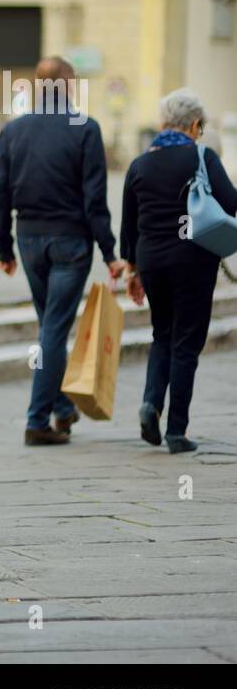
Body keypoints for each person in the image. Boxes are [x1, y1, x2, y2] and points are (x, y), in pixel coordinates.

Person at [0, 56, 127, 445]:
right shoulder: (84, 128)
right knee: (53, 328)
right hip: (70, 241)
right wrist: (110, 253)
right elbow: (94, 200)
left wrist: (4, 247)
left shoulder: (13, 130)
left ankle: (64, 410)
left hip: (29, 239)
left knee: (51, 324)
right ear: (68, 84)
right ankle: (37, 421)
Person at [121, 89, 237, 453]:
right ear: (194, 125)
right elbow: (231, 203)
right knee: (186, 343)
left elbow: (129, 225)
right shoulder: (202, 156)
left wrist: (132, 272)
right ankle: (176, 431)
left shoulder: (139, 164)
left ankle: (150, 402)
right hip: (193, 260)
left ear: (161, 123)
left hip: (151, 260)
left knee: (162, 335)